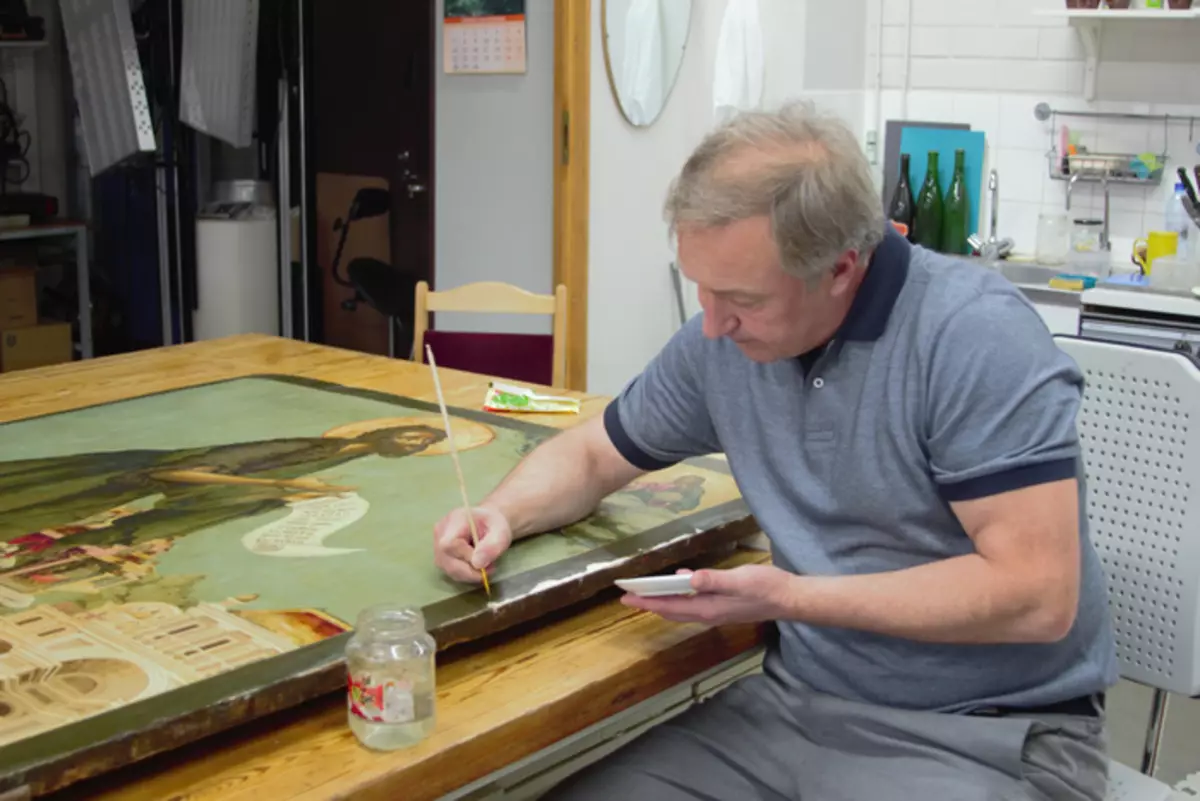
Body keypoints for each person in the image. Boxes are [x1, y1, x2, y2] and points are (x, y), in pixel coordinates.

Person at [432, 103, 1118, 800]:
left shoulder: (973, 337)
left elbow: (1037, 596)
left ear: (843, 267)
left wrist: (793, 597)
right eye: (700, 285)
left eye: (741, 298)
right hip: (792, 710)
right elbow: (591, 457)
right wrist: (500, 514)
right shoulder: (724, 343)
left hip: (986, 737)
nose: (713, 321)